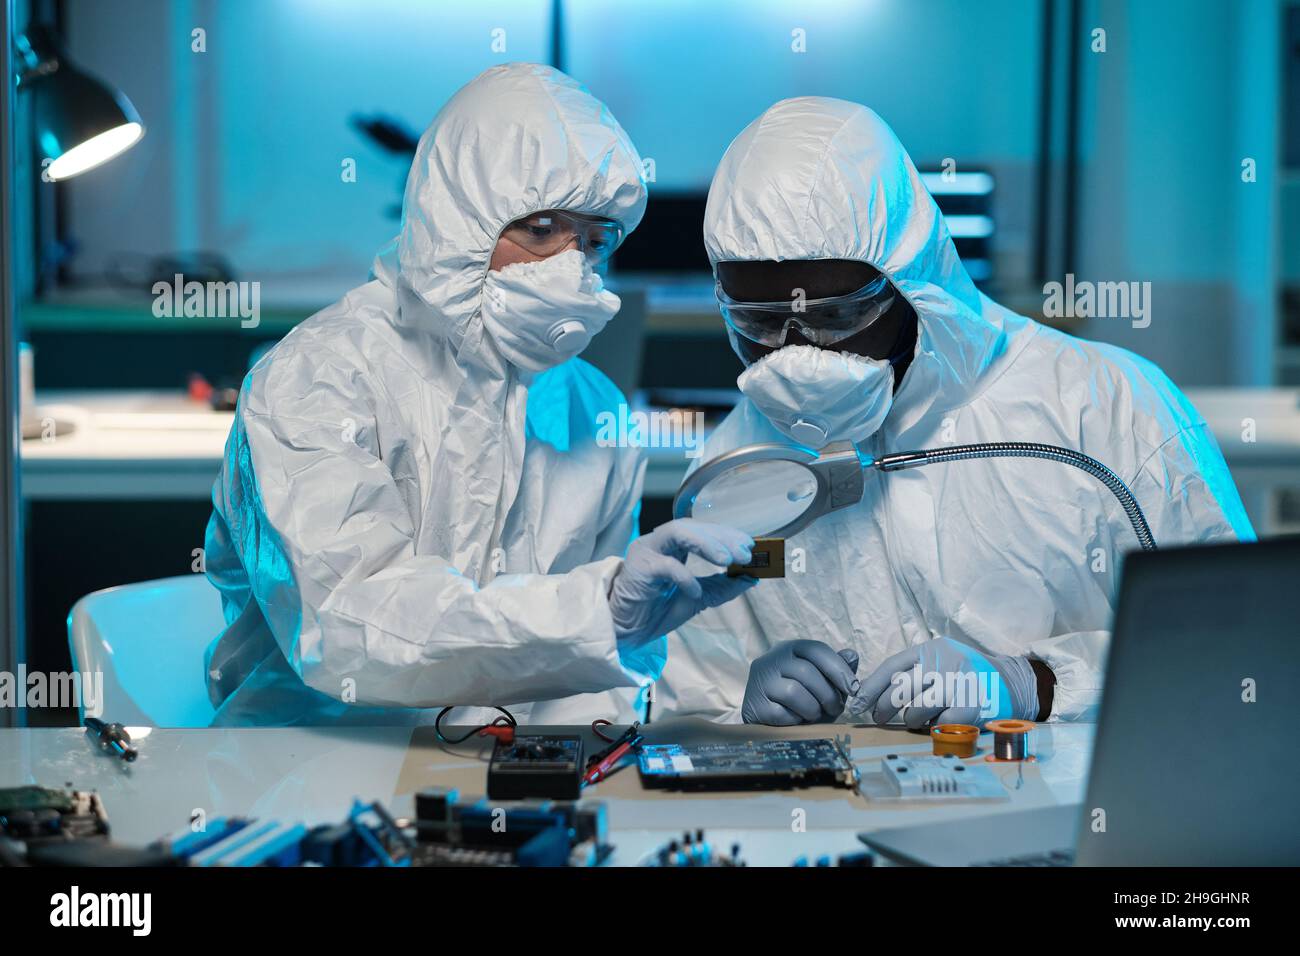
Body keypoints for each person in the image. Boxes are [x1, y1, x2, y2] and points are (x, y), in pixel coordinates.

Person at [656, 97, 1253, 727]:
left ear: (912, 277)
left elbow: (1233, 651)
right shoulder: (736, 467)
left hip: (1076, 819)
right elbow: (685, 711)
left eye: (835, 316)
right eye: (761, 322)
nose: (797, 356)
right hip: (837, 823)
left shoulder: (1105, 406)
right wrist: (744, 707)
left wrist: (1035, 686)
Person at [202, 63, 755, 727]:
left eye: (595, 241)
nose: (572, 270)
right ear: (459, 220)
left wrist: (726, 692)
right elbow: (350, 628)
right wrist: (597, 609)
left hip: (523, 772)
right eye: (543, 229)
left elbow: (606, 674)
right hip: (314, 762)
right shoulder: (317, 380)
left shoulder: (594, 410)